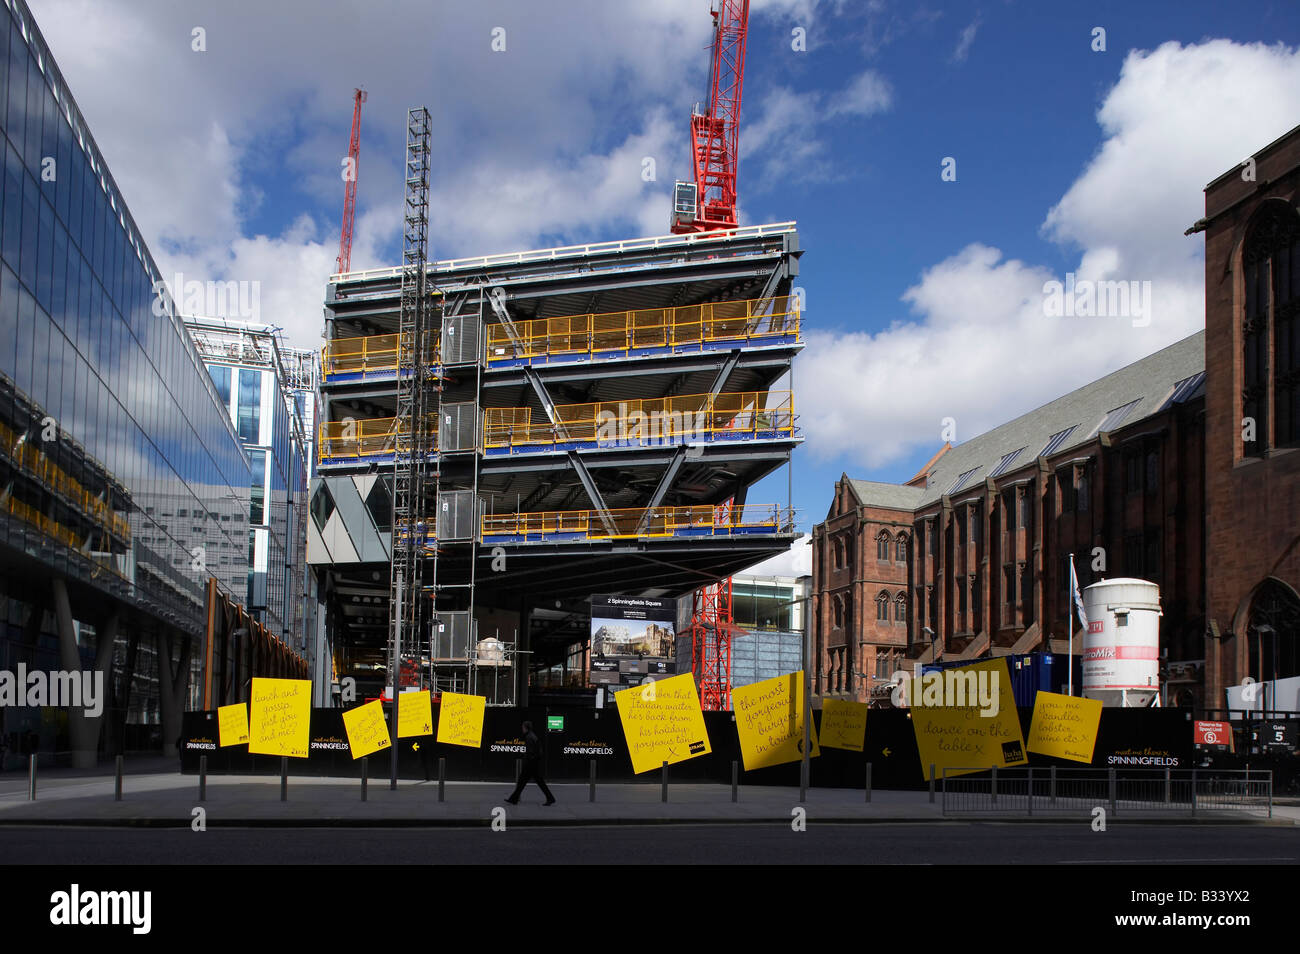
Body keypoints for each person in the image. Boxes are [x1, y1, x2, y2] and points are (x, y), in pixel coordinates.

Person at [505, 720, 554, 806]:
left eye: (523, 727)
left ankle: (514, 799)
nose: (522, 729)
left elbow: (530, 752)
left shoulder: (529, 737)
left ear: (525, 728)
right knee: (526, 782)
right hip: (533, 763)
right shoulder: (532, 735)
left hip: (530, 764)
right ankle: (514, 799)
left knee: (524, 781)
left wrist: (527, 761)